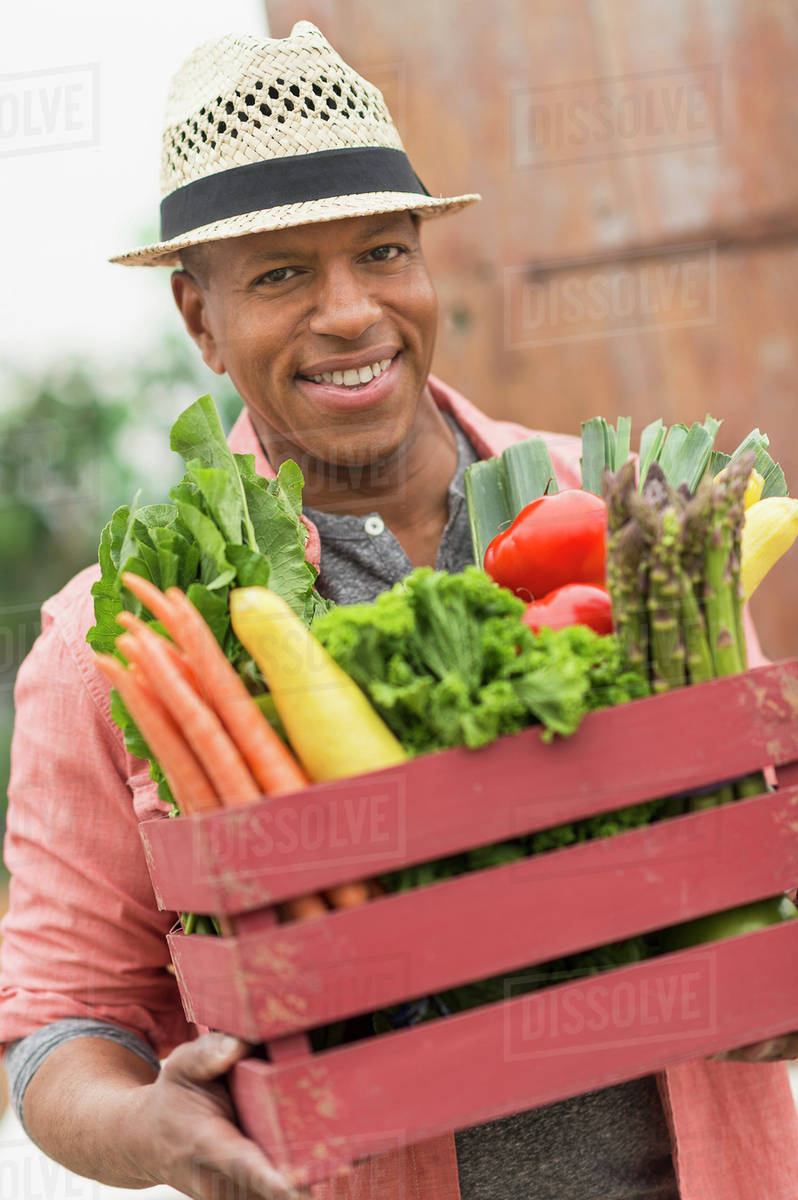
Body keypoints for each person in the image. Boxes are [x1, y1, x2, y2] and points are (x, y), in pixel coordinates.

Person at [1, 21, 797, 1200]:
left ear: (426, 264)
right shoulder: (119, 637)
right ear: (198, 320)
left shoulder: (632, 515)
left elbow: (761, 819)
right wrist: (154, 1131)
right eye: (279, 274)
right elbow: (60, 1021)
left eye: (382, 250)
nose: (351, 313)